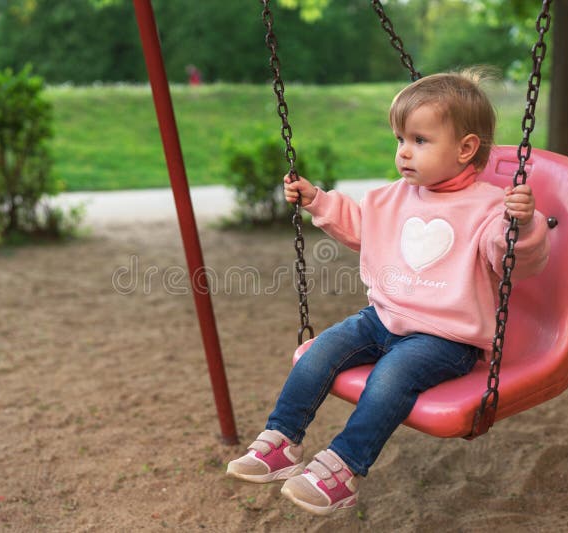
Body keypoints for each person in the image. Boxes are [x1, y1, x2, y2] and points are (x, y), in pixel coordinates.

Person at [226, 70, 551, 515]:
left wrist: (524, 225)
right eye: (400, 139)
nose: (403, 152)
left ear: (466, 148)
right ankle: (281, 442)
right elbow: (362, 225)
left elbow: (514, 259)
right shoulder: (398, 197)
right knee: (319, 352)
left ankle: (341, 469)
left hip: (444, 338)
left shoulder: (491, 207)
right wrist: (317, 200)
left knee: (390, 378)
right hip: (383, 318)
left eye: (419, 140)